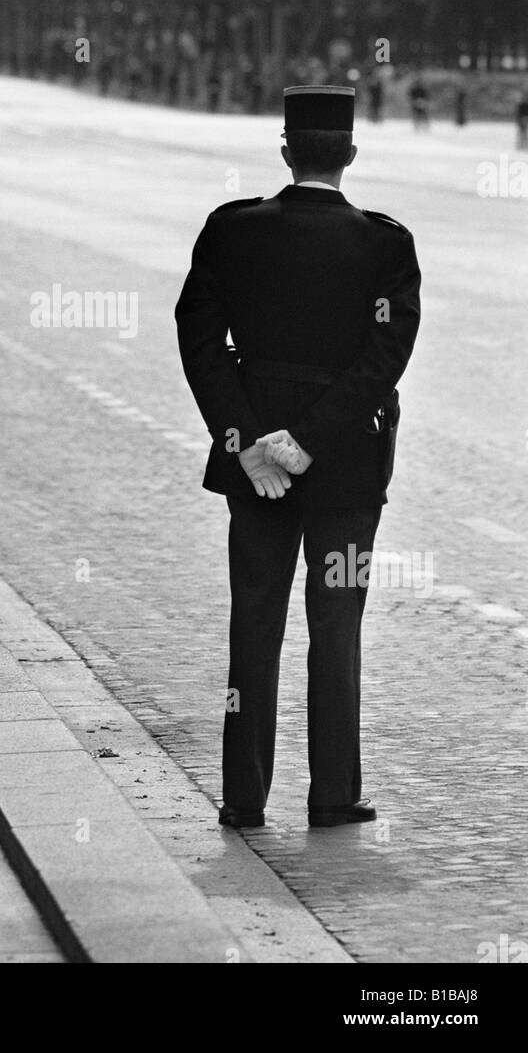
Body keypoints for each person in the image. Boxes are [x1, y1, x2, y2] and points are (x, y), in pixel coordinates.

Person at [175, 85, 421, 831]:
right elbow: (384, 360)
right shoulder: (385, 244)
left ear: (285, 150)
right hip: (344, 471)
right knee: (336, 626)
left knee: (253, 623)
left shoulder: (232, 229)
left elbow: (200, 340)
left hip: (256, 473)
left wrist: (245, 439)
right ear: (349, 154)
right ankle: (333, 794)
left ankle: (243, 797)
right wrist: (311, 438)